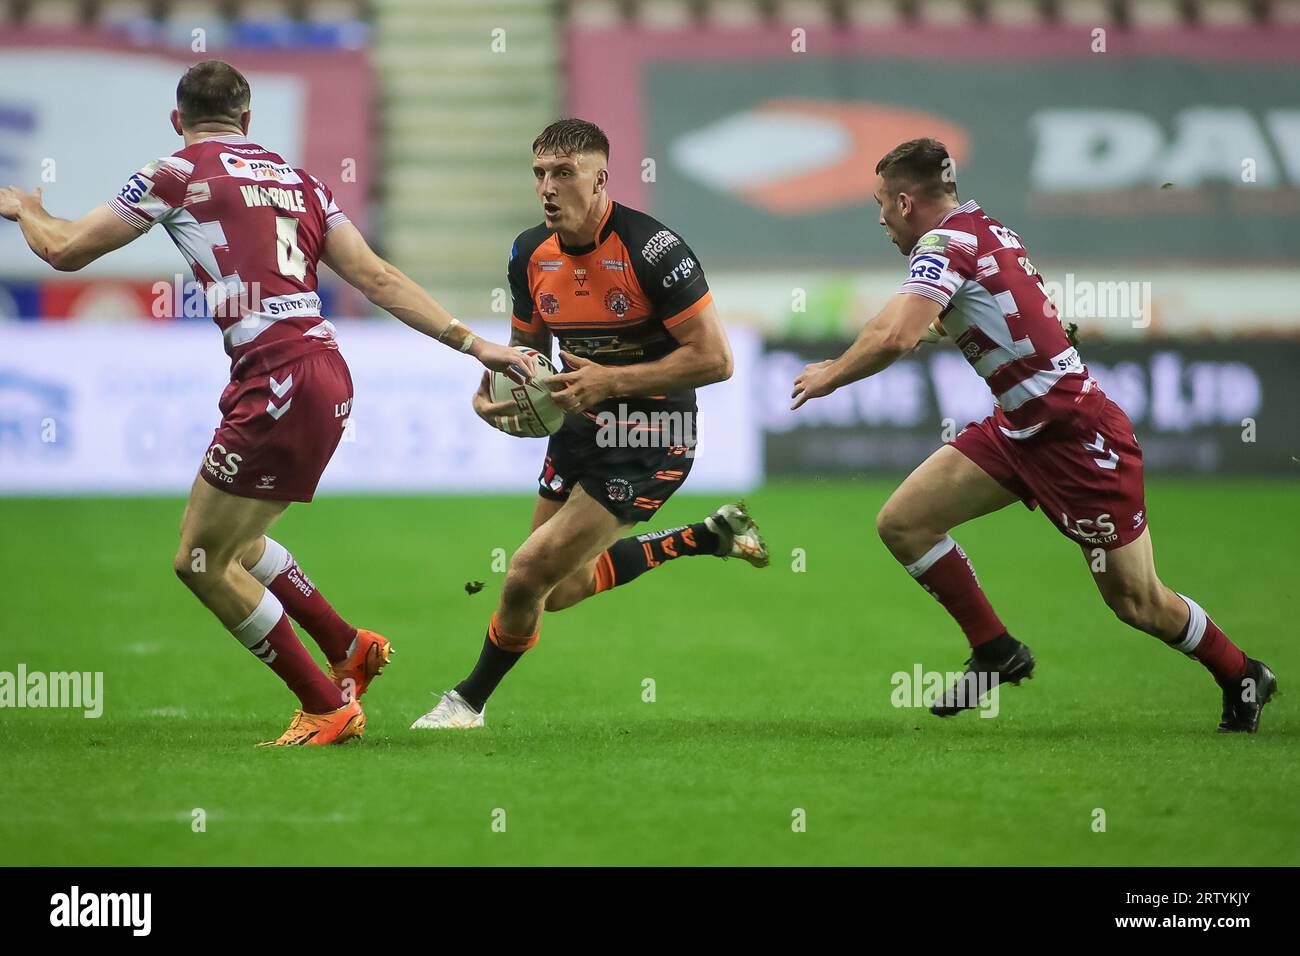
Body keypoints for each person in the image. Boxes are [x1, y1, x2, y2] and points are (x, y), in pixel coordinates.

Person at [0, 60, 533, 745]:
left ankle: (325, 705)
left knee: (199, 559)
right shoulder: (301, 180)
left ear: (178, 122)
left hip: (275, 375)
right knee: (239, 542)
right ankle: (347, 647)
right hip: (326, 371)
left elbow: (65, 251)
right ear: (248, 120)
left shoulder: (176, 171)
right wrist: (473, 342)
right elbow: (375, 276)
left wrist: (27, 210)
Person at [789, 138, 1276, 733]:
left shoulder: (941, 245)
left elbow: (896, 334)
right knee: (904, 523)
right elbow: (969, 312)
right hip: (1019, 429)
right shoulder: (987, 228)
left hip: (1077, 437)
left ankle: (1241, 671)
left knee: (1136, 601)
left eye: (881, 204)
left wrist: (830, 376)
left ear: (906, 200)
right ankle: (996, 650)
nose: (881, 218)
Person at [411, 119, 767, 729]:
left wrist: (609, 380)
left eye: (564, 174)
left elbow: (716, 360)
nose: (548, 188)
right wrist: (500, 395)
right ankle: (706, 537)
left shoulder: (654, 251)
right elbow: (526, 356)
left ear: (600, 178)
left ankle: (467, 702)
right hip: (579, 422)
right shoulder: (530, 252)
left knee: (524, 574)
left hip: (650, 436)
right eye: (540, 175)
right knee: (563, 587)